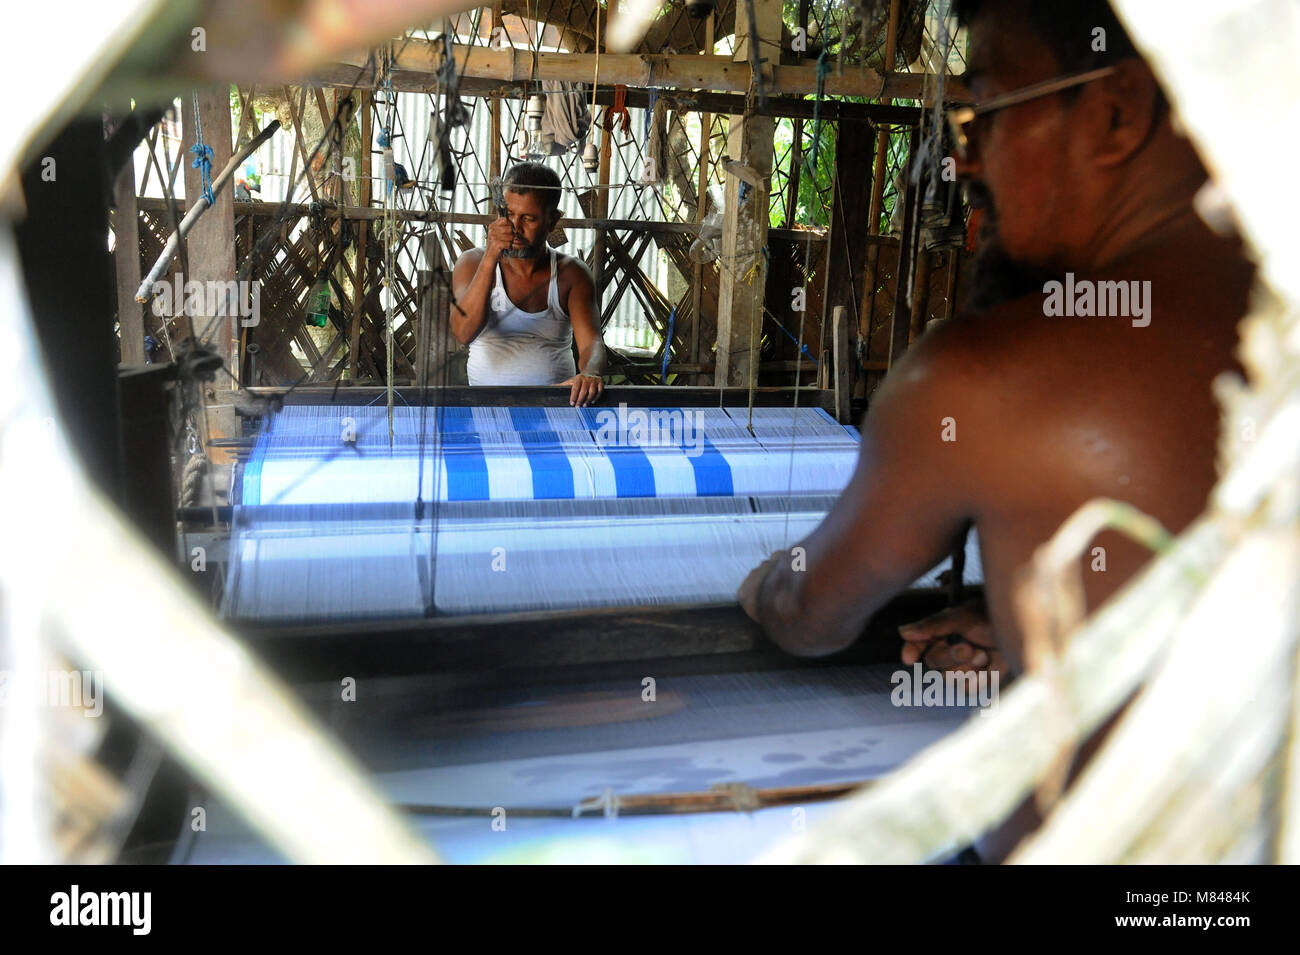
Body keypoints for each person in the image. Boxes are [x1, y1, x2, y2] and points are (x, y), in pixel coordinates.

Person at [738, 0, 1255, 857]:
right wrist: (1026, 623)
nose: (966, 159)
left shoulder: (984, 377)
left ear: (1117, 109)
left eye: (988, 108)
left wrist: (765, 585)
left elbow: (813, 613)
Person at [451, 162, 606, 406]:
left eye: (528, 219)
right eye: (509, 215)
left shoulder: (572, 274)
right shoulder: (472, 263)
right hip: (488, 410)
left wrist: (590, 373)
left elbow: (592, 343)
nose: (516, 229)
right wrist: (491, 256)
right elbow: (463, 333)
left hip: (556, 408)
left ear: (553, 221)